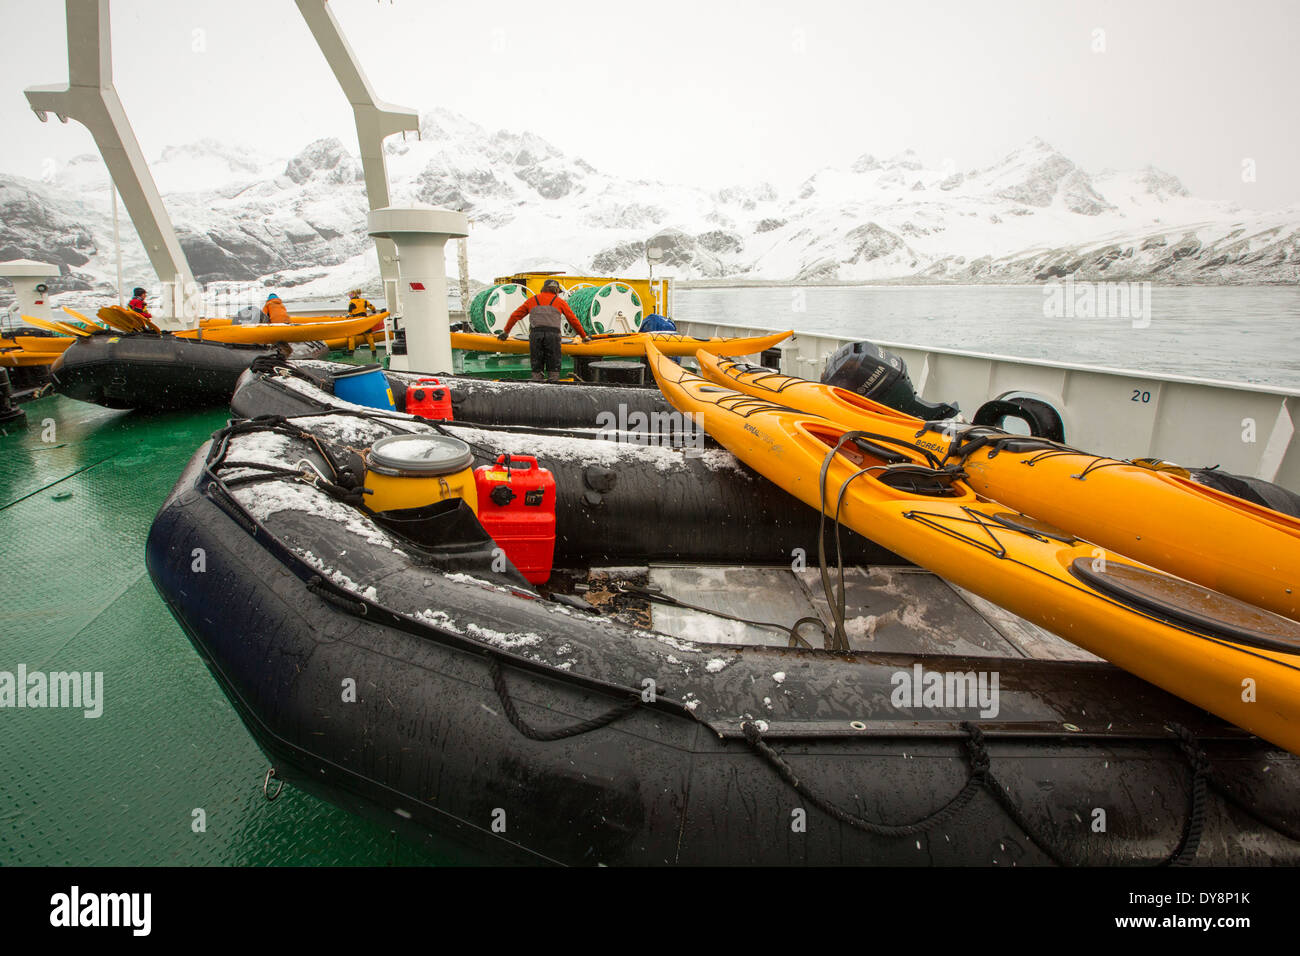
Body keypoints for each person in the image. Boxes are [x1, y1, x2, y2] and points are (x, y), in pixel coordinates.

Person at [499, 280, 590, 382]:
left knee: (536, 364)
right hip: (553, 337)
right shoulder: (560, 302)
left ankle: (537, 384)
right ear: (556, 290)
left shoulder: (532, 300)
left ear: (543, 288)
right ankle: (553, 383)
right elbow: (573, 320)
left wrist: (506, 332)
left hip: (535, 336)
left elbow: (515, 316)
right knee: (553, 364)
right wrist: (584, 336)